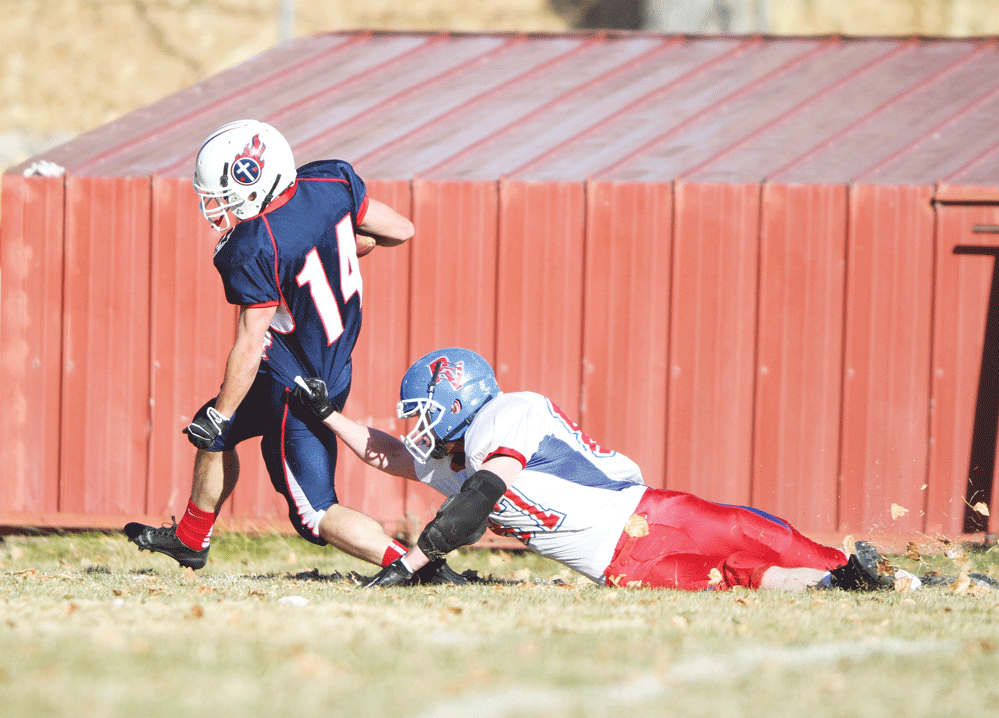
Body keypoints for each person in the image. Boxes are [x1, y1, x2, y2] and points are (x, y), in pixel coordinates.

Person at [124, 120, 461, 584]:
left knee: (313, 511)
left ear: (250, 178)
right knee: (213, 434)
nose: (214, 206)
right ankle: (191, 538)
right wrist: (329, 245)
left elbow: (249, 339)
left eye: (222, 193)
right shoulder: (329, 181)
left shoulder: (253, 244)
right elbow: (398, 230)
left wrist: (223, 412)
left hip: (298, 383)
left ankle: (418, 566)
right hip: (327, 363)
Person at [289, 347, 910, 592]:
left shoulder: (505, 416)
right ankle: (855, 588)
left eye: (424, 410)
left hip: (648, 517)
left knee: (771, 541)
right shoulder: (459, 451)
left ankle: (899, 581)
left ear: (456, 399)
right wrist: (331, 417)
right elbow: (397, 456)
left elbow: (482, 494)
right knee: (739, 578)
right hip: (621, 561)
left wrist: (414, 563)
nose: (418, 424)